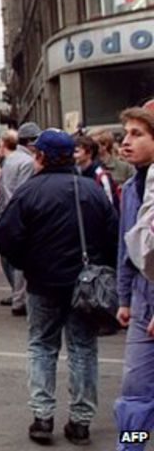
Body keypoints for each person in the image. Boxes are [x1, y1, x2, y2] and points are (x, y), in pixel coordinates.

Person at [0, 129, 118, 445]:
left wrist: (28, 265)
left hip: (42, 283)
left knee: (41, 346)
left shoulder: (29, 192)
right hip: (85, 286)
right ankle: (80, 421)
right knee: (83, 349)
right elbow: (112, 235)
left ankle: (42, 417)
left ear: (41, 156)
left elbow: (8, 238)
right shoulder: (91, 190)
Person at [113, 101, 154, 449]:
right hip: (142, 298)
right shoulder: (130, 189)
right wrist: (124, 297)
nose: (126, 142)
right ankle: (132, 446)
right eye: (125, 134)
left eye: (137, 134)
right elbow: (126, 248)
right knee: (134, 391)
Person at [0, 124, 40, 316]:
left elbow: (2, 188)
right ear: (30, 142)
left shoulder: (11, 159)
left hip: (7, 213)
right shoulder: (28, 161)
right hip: (19, 215)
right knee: (23, 261)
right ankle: (20, 299)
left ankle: (17, 296)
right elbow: (24, 192)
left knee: (11, 258)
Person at [73, 134, 118, 210]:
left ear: (89, 153)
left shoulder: (101, 175)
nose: (73, 155)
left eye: (76, 152)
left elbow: (109, 205)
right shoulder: (76, 173)